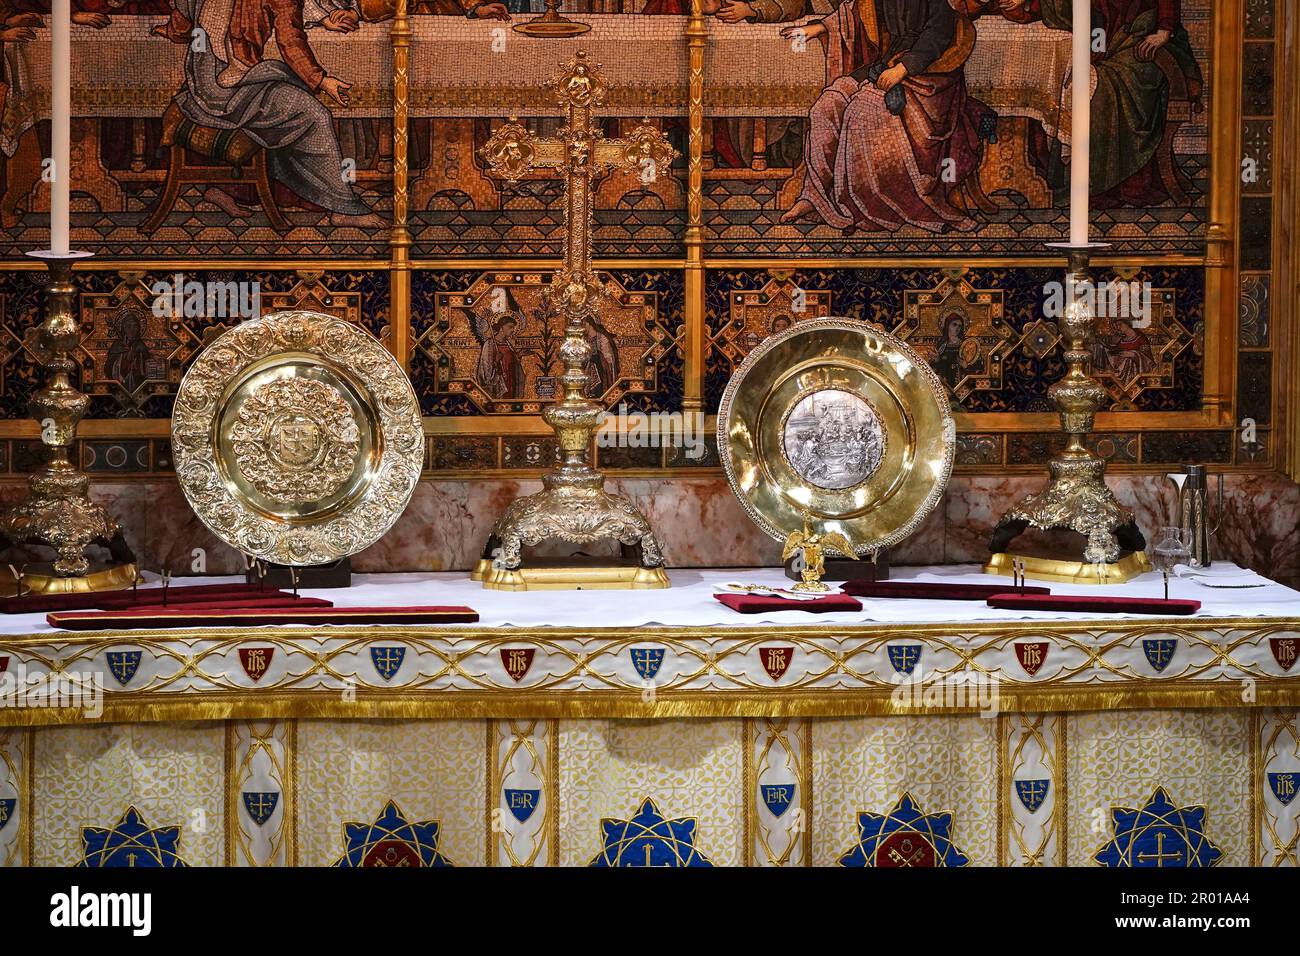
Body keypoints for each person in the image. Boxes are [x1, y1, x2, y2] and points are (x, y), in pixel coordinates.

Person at [152, 0, 385, 228]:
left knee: (289, 94)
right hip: (231, 90)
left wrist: (171, 31)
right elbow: (290, 40)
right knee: (315, 115)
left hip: (200, 86)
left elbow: (183, 21)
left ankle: (226, 189)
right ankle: (342, 209)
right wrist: (321, 80)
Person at [779, 0, 994, 233]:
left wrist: (903, 69)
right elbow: (857, 12)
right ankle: (815, 197)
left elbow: (940, 33)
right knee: (826, 106)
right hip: (884, 67)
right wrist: (822, 27)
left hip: (928, 76)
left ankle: (860, 205)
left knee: (861, 111)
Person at [996, 0, 1203, 207]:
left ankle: (1103, 183)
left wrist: (1164, 29)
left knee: (1102, 89)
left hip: (1141, 37)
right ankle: (1063, 174)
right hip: (1104, 35)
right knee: (1066, 78)